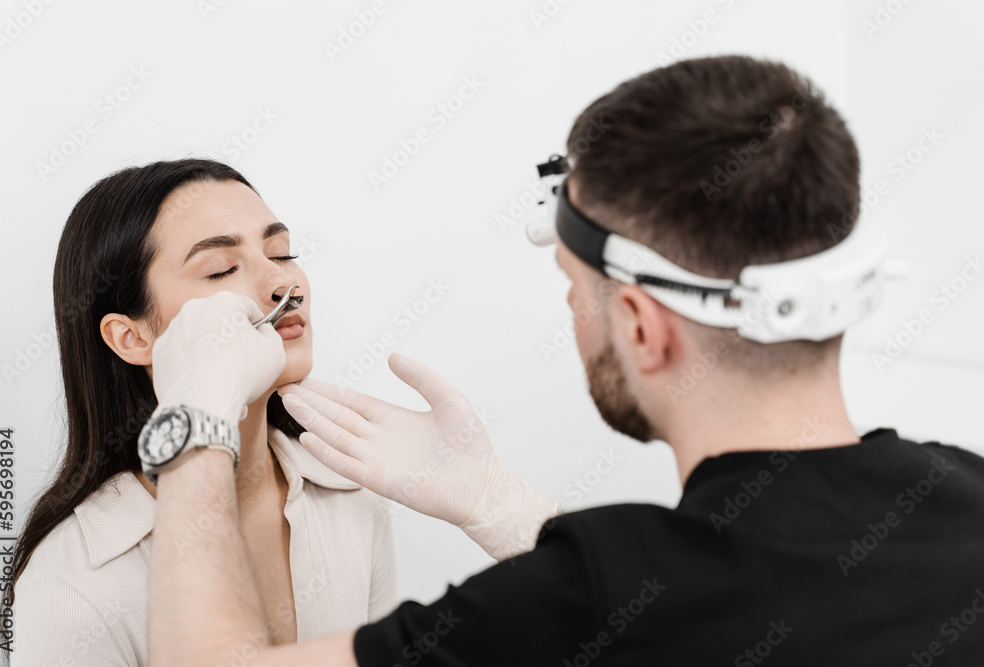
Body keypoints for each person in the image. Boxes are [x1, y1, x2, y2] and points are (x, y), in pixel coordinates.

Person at [145, 56, 984, 665]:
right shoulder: (965, 497)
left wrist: (196, 418)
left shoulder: (587, 595)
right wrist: (496, 504)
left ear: (642, 325)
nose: (569, 311)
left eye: (572, 285)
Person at [6, 159, 411, 665]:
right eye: (222, 269)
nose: (283, 286)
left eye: (283, 253)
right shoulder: (75, 581)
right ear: (131, 337)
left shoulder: (350, 493)